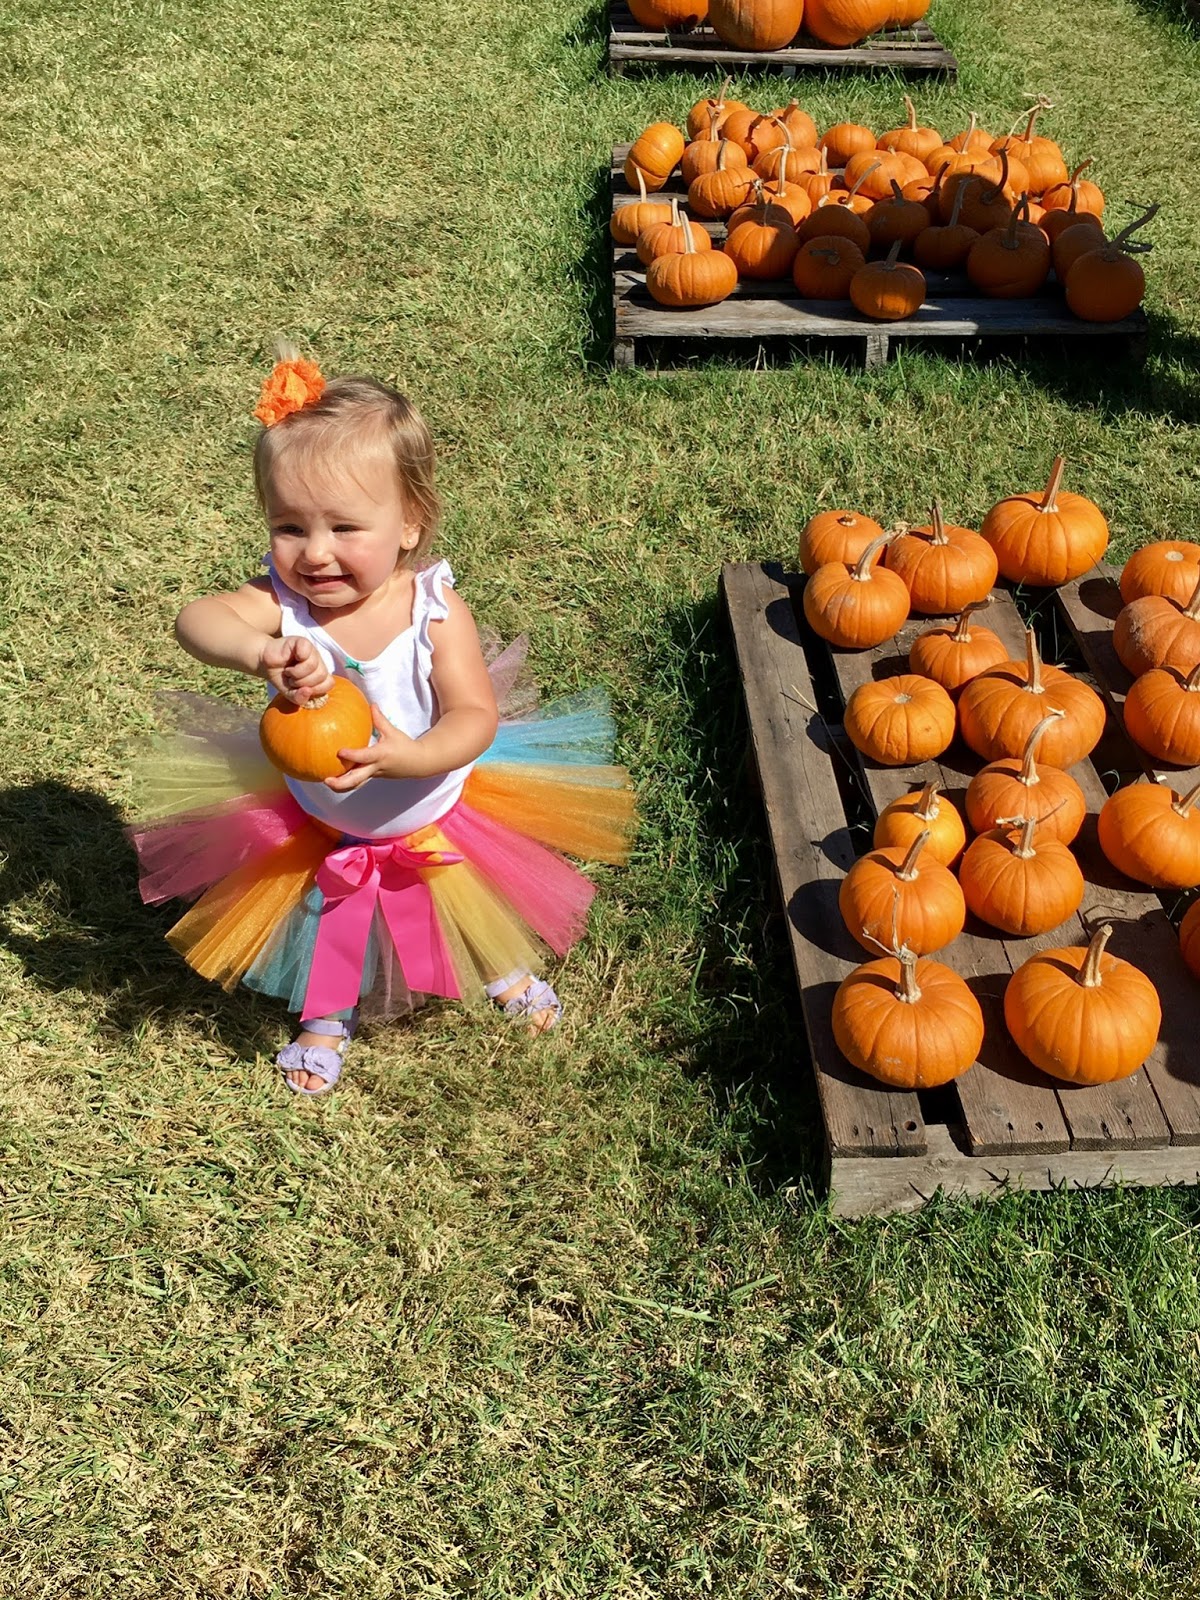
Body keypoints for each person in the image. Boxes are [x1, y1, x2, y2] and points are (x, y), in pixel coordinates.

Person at [129, 352, 635, 1094]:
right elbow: (195, 620)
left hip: (432, 801)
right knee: (329, 904)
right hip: (323, 815)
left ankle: (497, 962)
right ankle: (327, 1011)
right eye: (289, 526)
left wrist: (415, 755)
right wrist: (258, 648)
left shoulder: (432, 610)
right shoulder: (283, 605)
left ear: (409, 525)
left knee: (461, 894)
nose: (316, 552)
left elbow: (473, 716)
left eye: (344, 526)